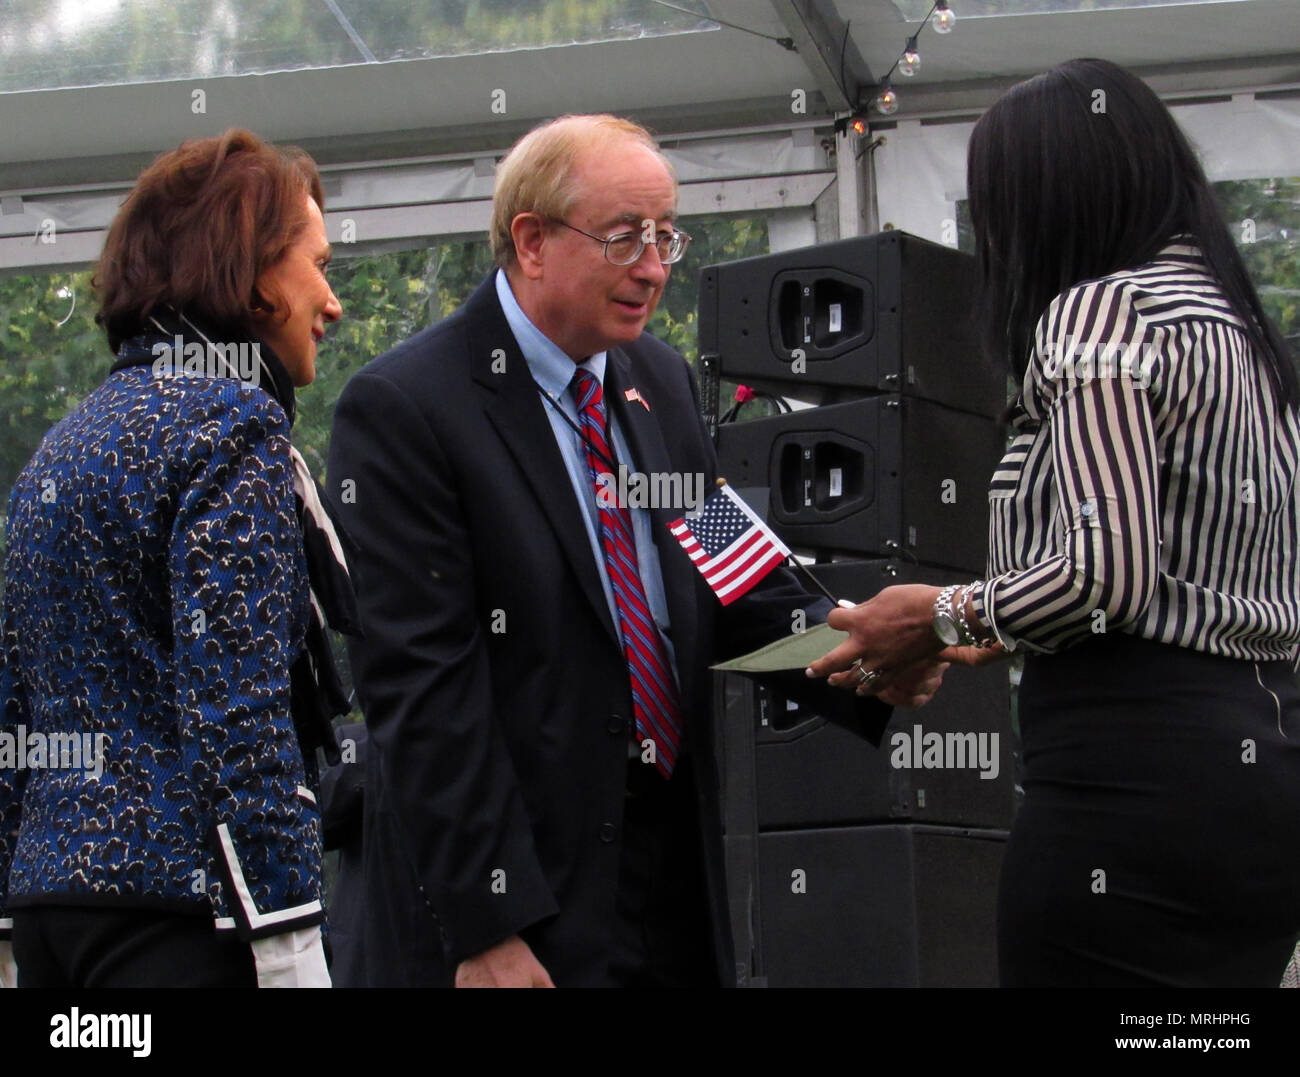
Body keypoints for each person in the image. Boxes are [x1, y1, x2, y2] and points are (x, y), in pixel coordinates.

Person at [326, 113, 942, 988]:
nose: (654, 267)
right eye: (624, 238)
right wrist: (485, 926)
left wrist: (859, 651)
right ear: (532, 241)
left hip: (667, 888)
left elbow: (739, 579)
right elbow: (424, 695)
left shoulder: (655, 382)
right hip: (522, 902)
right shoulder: (407, 409)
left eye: (665, 236)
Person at [808, 58, 1300, 987]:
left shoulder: (1101, 309)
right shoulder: (1239, 330)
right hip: (1259, 775)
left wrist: (940, 614)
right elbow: (1187, 583)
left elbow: (1104, 576)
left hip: (1135, 783)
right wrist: (981, 635)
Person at [0, 128, 356, 988]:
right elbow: (238, 708)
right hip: (188, 930)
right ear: (252, 275)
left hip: (54, 922)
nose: (333, 302)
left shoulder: (62, 445)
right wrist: (289, 945)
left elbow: (15, 712)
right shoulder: (233, 431)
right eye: (319, 263)